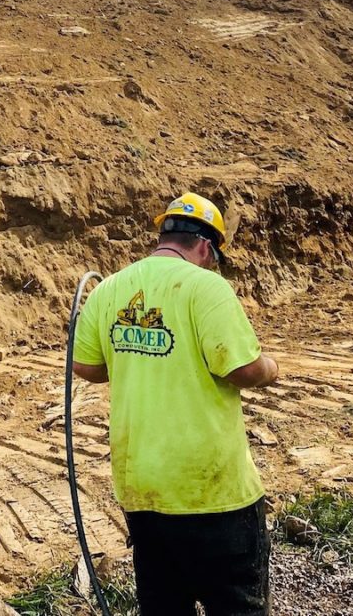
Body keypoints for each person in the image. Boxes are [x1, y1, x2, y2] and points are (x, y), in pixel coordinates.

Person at [72, 192, 279, 616]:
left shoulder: (110, 288)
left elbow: (86, 365)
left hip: (144, 492)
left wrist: (134, 353)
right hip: (213, 495)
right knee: (238, 606)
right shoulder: (206, 288)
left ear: (164, 234)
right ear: (206, 247)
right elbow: (241, 369)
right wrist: (271, 368)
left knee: (165, 605)